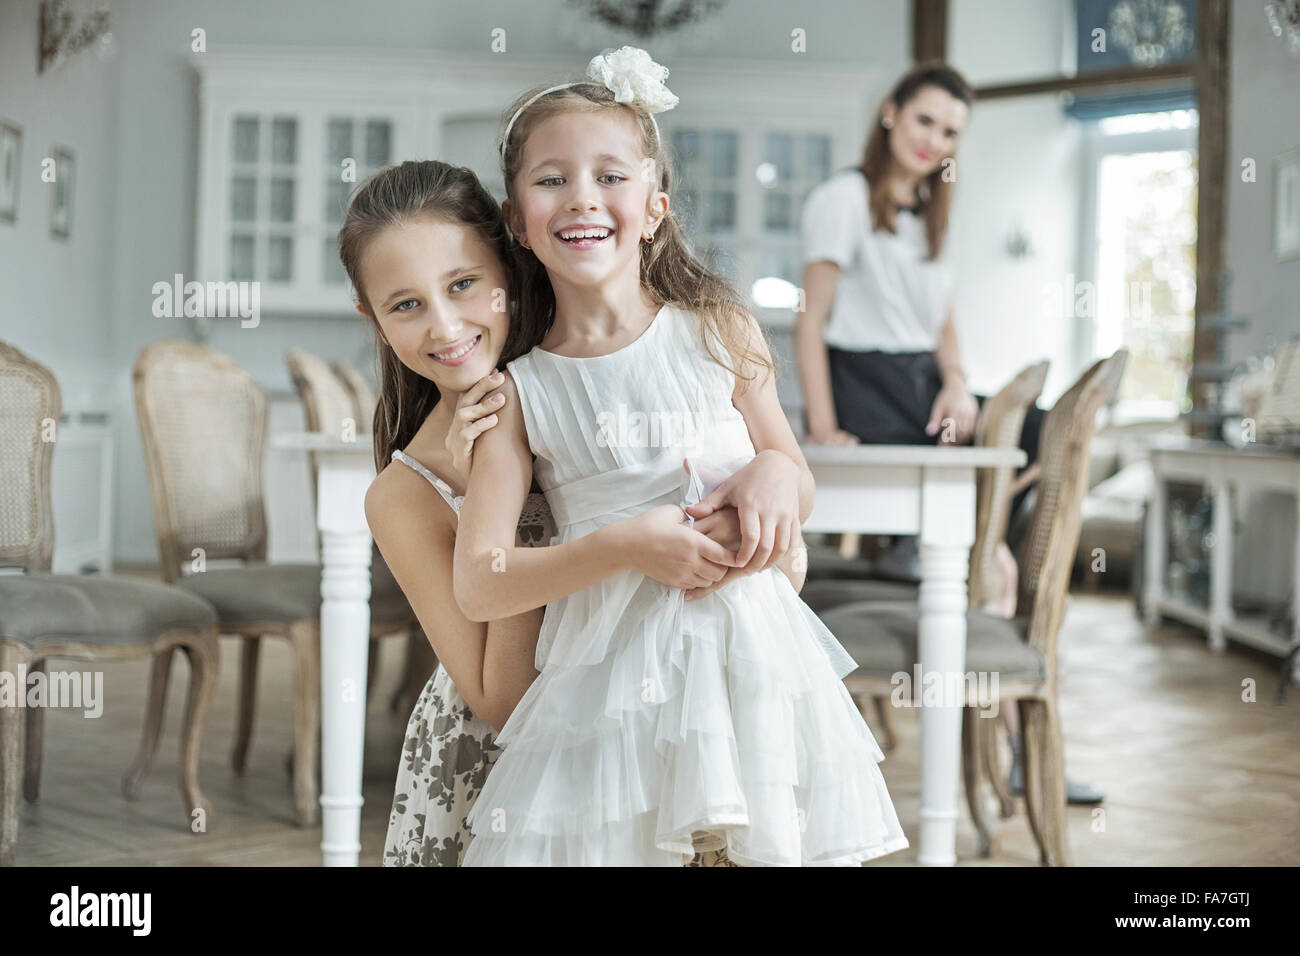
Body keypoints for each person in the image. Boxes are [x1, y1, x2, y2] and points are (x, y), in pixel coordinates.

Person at [453, 47, 910, 866]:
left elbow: (793, 477)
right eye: (552, 179)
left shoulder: (719, 331)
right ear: (517, 219)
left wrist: (776, 472)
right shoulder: (520, 394)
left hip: (751, 680)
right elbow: (480, 580)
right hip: (608, 702)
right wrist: (623, 545)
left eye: (611, 176)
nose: (583, 197)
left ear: (655, 207)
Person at [342, 160, 766, 865]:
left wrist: (775, 476)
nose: (445, 325)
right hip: (499, 782)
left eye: (463, 285)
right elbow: (500, 701)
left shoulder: (604, 398)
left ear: (512, 263)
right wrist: (492, 498)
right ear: (373, 318)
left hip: (647, 735)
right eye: (405, 304)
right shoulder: (404, 493)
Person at [795, 62, 1101, 805]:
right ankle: (966, 559)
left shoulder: (934, 209)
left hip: (926, 383)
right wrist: (826, 424)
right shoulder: (842, 199)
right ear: (893, 114)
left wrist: (959, 382)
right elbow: (811, 319)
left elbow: (945, 328)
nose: (936, 140)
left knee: (1035, 430)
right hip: (865, 385)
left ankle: (976, 553)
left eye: (952, 131)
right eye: (927, 121)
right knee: (999, 475)